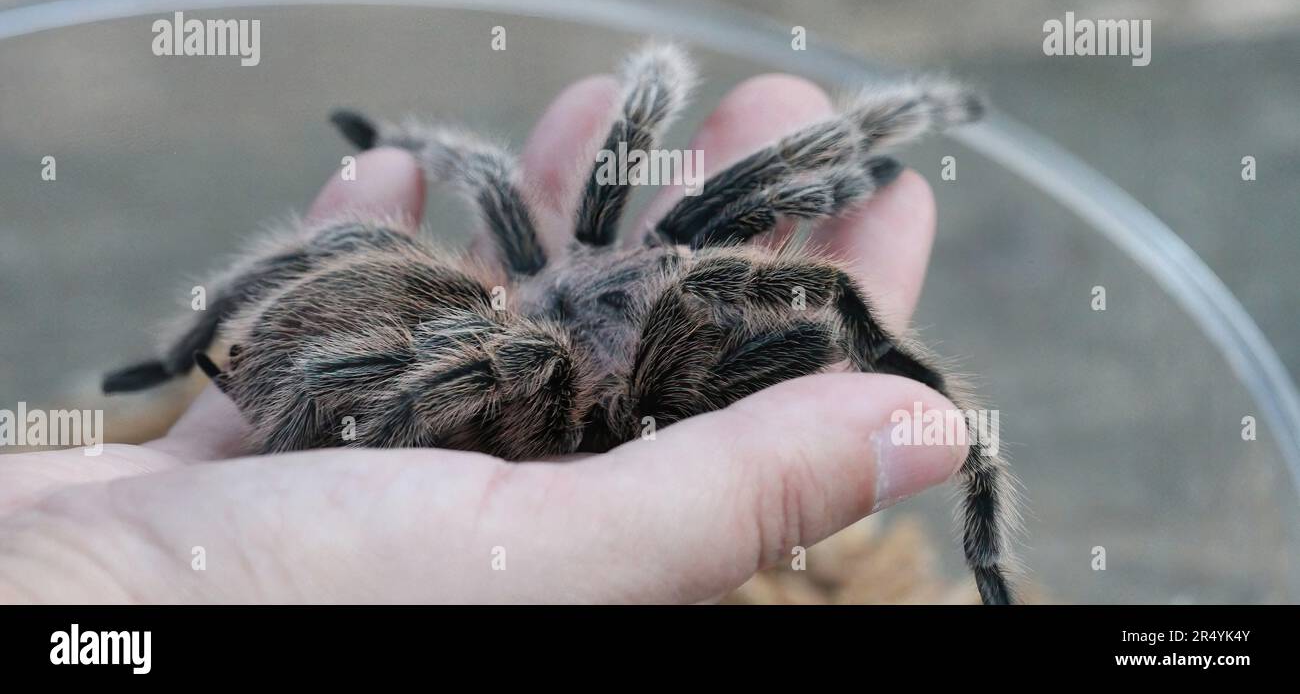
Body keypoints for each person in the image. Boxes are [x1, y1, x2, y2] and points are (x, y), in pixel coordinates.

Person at [0, 73, 966, 602]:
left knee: (364, 237)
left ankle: (177, 357)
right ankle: (198, 373)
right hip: (466, 360)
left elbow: (507, 165)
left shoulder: (588, 259)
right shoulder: (564, 343)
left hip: (473, 330)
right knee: (418, 269)